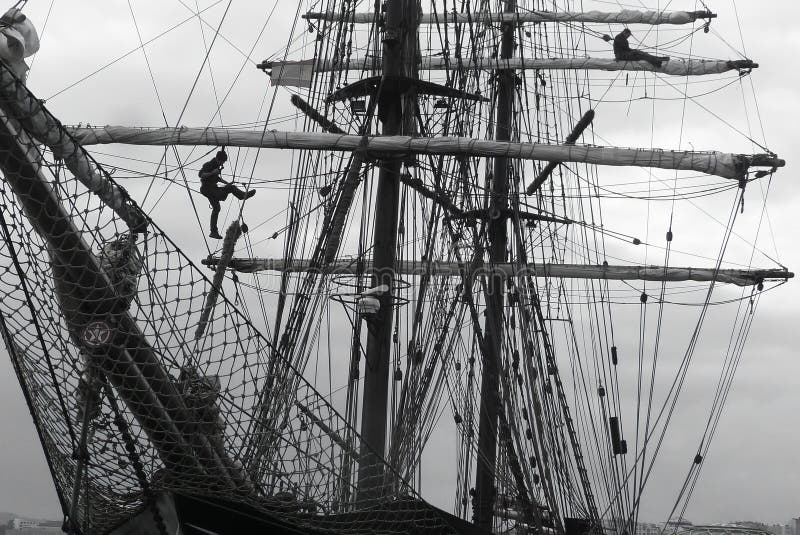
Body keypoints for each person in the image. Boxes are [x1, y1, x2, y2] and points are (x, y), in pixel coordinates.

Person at [199, 150, 255, 239]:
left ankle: (213, 232)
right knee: (231, 188)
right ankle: (242, 196)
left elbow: (217, 178)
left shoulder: (216, 166)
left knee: (216, 209)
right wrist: (212, 173)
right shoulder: (209, 164)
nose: (222, 164)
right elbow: (201, 175)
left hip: (210, 190)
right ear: (218, 159)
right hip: (209, 189)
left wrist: (226, 182)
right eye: (222, 162)